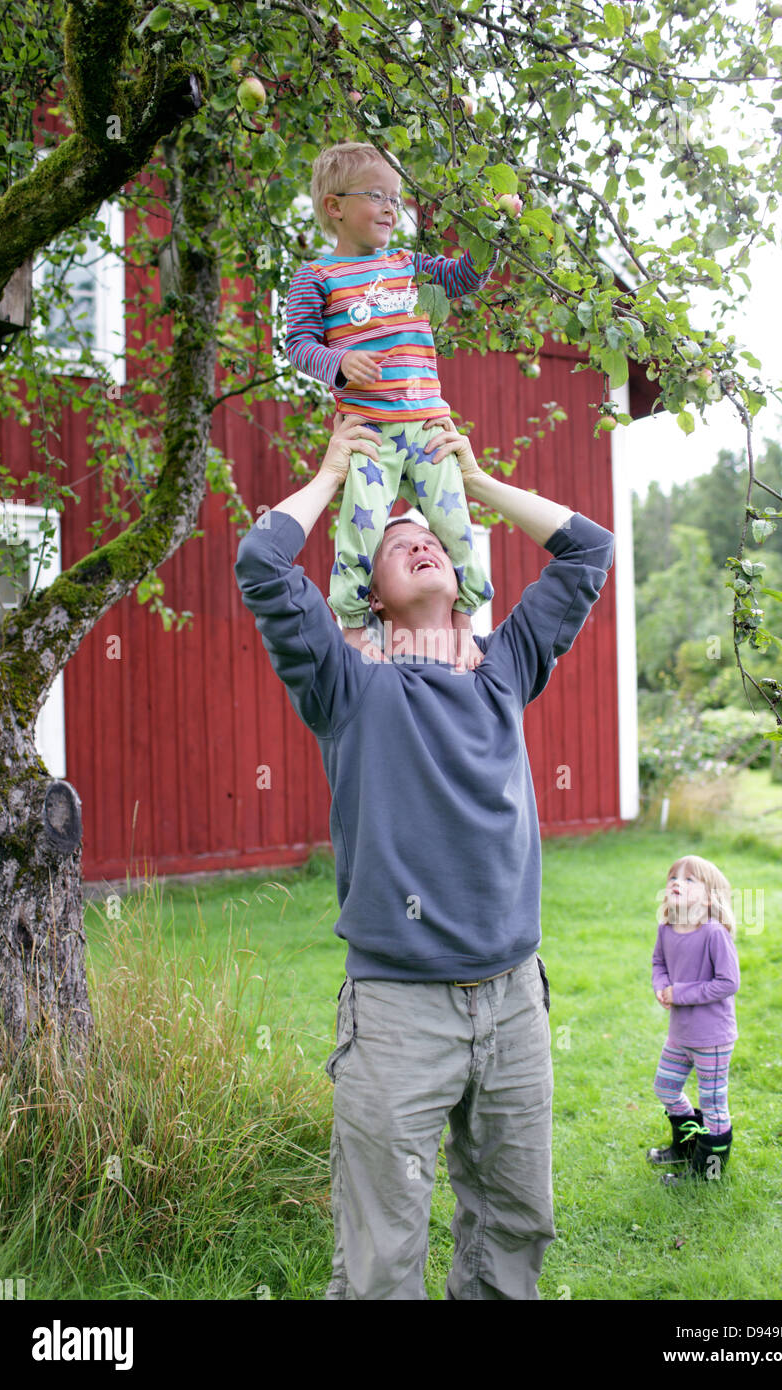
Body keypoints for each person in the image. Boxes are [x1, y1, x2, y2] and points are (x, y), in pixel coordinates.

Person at [233, 414, 614, 1298]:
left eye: (435, 535)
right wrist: (333, 475)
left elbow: (586, 551)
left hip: (516, 999)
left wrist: (473, 487)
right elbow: (263, 564)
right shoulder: (349, 684)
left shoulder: (505, 669)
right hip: (401, 1013)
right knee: (382, 1257)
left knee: (514, 1231)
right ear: (369, 585)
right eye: (398, 538)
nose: (422, 540)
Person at [284, 141, 504, 669]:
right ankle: (355, 624)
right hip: (371, 432)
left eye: (397, 199)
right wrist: (337, 362)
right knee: (359, 530)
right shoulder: (316, 277)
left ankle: (464, 622)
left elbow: (465, 277)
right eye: (377, 196)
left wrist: (491, 233)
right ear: (335, 206)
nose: (391, 208)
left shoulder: (408, 265)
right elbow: (297, 346)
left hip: (428, 426)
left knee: (454, 524)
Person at [648, 854, 740, 1186]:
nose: (677, 882)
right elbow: (659, 964)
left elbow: (728, 982)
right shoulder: (667, 928)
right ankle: (686, 1147)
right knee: (666, 1087)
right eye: (674, 877)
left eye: (689, 880)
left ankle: (707, 1173)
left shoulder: (714, 933)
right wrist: (661, 986)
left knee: (714, 1104)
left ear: (708, 895)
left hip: (712, 1036)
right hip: (680, 1033)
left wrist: (680, 992)